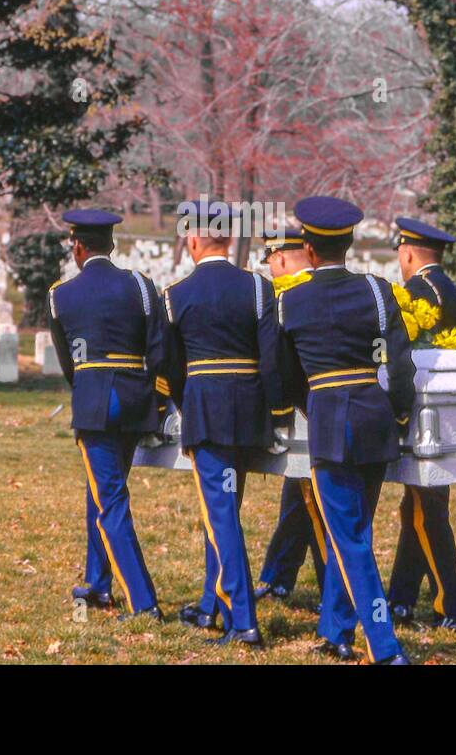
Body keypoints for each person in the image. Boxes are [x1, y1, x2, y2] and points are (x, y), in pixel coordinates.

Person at [276, 196, 412, 664]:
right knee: (352, 530)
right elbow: (399, 365)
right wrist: (398, 414)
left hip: (330, 417)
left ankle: (384, 646)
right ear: (348, 244)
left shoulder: (291, 300)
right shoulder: (378, 291)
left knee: (349, 536)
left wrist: (308, 403)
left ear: (308, 250)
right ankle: (336, 629)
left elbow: (283, 375)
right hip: (374, 417)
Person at [162, 199, 281, 647]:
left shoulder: (175, 294)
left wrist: (185, 400)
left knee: (221, 517)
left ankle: (244, 620)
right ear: (228, 239)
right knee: (225, 512)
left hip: (206, 409)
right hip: (249, 409)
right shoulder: (256, 288)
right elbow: (271, 360)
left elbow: (167, 363)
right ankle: (214, 606)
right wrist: (274, 410)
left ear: (192, 239)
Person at [48, 209, 165, 621]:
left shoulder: (61, 294)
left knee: (110, 498)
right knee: (100, 492)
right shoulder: (140, 285)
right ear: (111, 245)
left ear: (77, 247)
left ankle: (144, 602)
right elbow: (159, 349)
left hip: (95, 400)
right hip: (134, 398)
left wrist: (86, 390)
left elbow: (68, 363)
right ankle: (97, 583)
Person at [385, 217, 456, 637]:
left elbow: (402, 355)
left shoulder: (417, 293)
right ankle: (400, 598)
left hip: (424, 414)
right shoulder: (450, 290)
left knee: (427, 513)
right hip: (446, 414)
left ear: (407, 253)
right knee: (418, 509)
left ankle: (452, 605)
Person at [254, 229, 327, 605]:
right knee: (298, 499)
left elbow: (277, 363)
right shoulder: (326, 291)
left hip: (307, 415)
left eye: (270, 261)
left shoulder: (286, 300)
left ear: (281, 259)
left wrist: (280, 412)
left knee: (316, 505)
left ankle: (336, 588)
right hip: (329, 411)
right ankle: (278, 577)